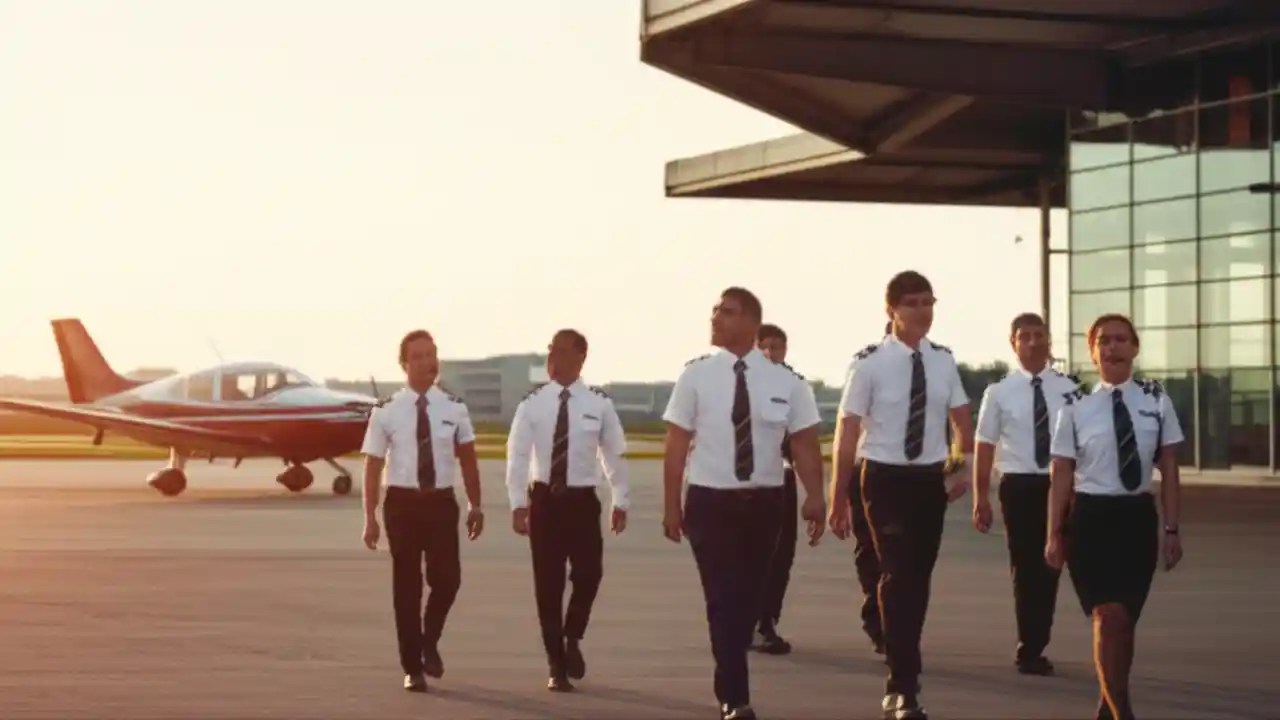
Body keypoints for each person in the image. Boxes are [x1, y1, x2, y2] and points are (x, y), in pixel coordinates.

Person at [663, 287, 827, 720]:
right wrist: (671, 505)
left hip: (764, 504)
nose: (716, 317)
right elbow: (676, 445)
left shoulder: (786, 382)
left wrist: (817, 497)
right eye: (715, 310)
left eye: (727, 312)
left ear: (752, 323)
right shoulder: (695, 376)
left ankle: (734, 682)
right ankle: (735, 697)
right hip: (709, 503)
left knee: (748, 601)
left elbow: (806, 445)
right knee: (721, 597)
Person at [829, 270, 973, 720]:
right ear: (891, 310)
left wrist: (960, 467)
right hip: (883, 478)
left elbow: (962, 420)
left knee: (917, 578)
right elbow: (847, 430)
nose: (923, 311)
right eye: (912, 303)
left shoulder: (943, 360)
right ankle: (902, 683)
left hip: (926, 481)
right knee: (896, 573)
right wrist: (837, 498)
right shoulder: (869, 362)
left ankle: (902, 659)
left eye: (929, 302)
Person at [1045, 314, 1184, 720]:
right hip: (1091, 518)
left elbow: (1170, 468)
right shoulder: (1074, 404)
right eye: (1103, 341)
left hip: (1136, 518)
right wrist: (1053, 532)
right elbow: (1061, 473)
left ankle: (1108, 706)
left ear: (1135, 348)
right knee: (1107, 616)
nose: (1112, 347)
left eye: (1121, 339)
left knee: (1124, 621)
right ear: (1092, 351)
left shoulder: (1156, 399)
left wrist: (1171, 529)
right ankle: (1124, 713)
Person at [360, 329, 485, 693]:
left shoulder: (454, 408)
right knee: (407, 587)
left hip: (441, 503)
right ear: (404, 364)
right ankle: (412, 666)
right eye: (418, 356)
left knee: (448, 580)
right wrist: (369, 516)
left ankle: (428, 641)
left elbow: (469, 459)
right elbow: (371, 465)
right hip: (402, 504)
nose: (427, 362)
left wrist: (477, 504)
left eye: (431, 354)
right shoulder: (386, 411)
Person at [504, 329, 629, 692]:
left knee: (590, 574)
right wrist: (517, 504)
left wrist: (621, 499)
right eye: (550, 351)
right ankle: (555, 664)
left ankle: (573, 633)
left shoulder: (598, 404)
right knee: (548, 585)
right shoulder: (532, 404)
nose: (552, 358)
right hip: (544, 500)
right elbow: (517, 456)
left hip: (582, 501)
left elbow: (613, 454)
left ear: (580, 358)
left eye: (560, 352)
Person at [972, 312, 1078, 675]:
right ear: (1013, 343)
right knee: (1024, 565)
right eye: (1025, 336)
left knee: (1052, 561)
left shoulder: (1070, 389)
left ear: (1050, 342)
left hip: (1058, 484)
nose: (1033, 342)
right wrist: (980, 497)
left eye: (1039, 335)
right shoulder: (998, 393)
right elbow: (984, 445)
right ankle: (1028, 645)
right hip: (1018, 485)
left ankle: (1038, 637)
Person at [752, 323, 797, 655]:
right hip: (740, 480)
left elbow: (803, 439)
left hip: (781, 480)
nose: (770, 353)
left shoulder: (794, 386)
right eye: (763, 346)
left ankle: (766, 621)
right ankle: (742, 621)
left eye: (776, 347)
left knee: (780, 555)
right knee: (744, 557)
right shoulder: (733, 382)